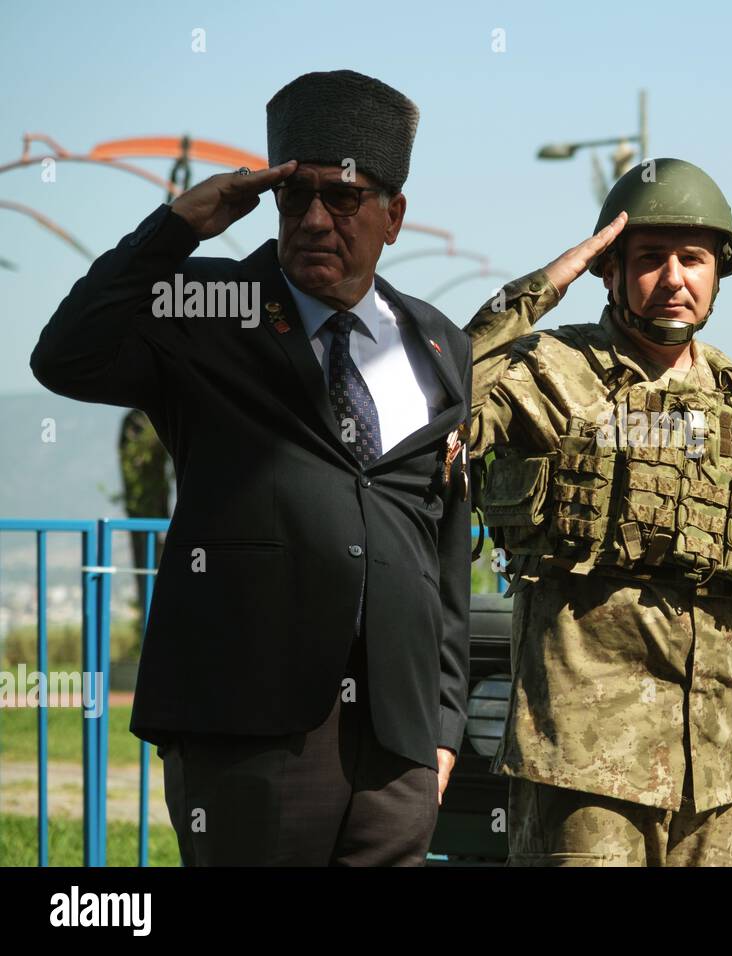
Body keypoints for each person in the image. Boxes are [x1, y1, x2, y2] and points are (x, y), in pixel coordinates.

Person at [29, 69, 472, 866]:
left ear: (393, 215)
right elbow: (65, 357)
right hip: (247, 724)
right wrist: (173, 229)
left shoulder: (438, 341)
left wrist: (442, 728)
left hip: (397, 742)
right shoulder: (212, 308)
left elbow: (443, 546)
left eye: (342, 198)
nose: (313, 221)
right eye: (293, 197)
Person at [467, 158, 732, 866]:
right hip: (584, 762)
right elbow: (438, 401)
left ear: (717, 273)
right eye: (649, 259)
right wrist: (542, 287)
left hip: (711, 767)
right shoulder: (551, 370)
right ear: (608, 271)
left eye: (693, 259)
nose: (674, 277)